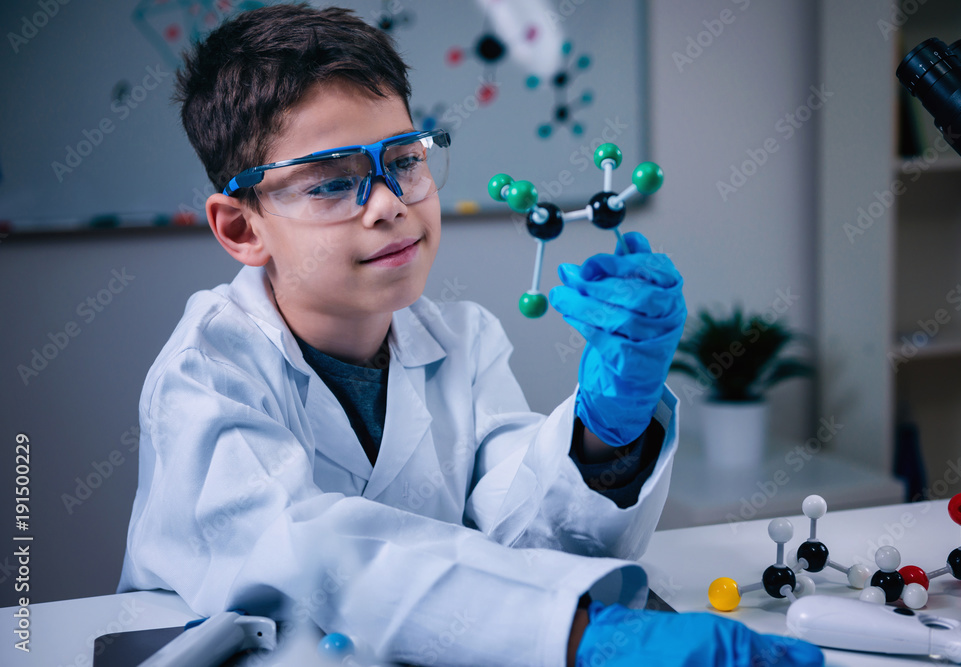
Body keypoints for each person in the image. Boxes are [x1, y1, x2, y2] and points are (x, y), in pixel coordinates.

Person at [117, 5, 823, 666]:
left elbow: (528, 535)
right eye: (330, 183)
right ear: (242, 228)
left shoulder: (463, 339)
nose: (389, 203)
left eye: (404, 160)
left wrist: (608, 428)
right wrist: (580, 635)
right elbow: (306, 557)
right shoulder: (206, 373)